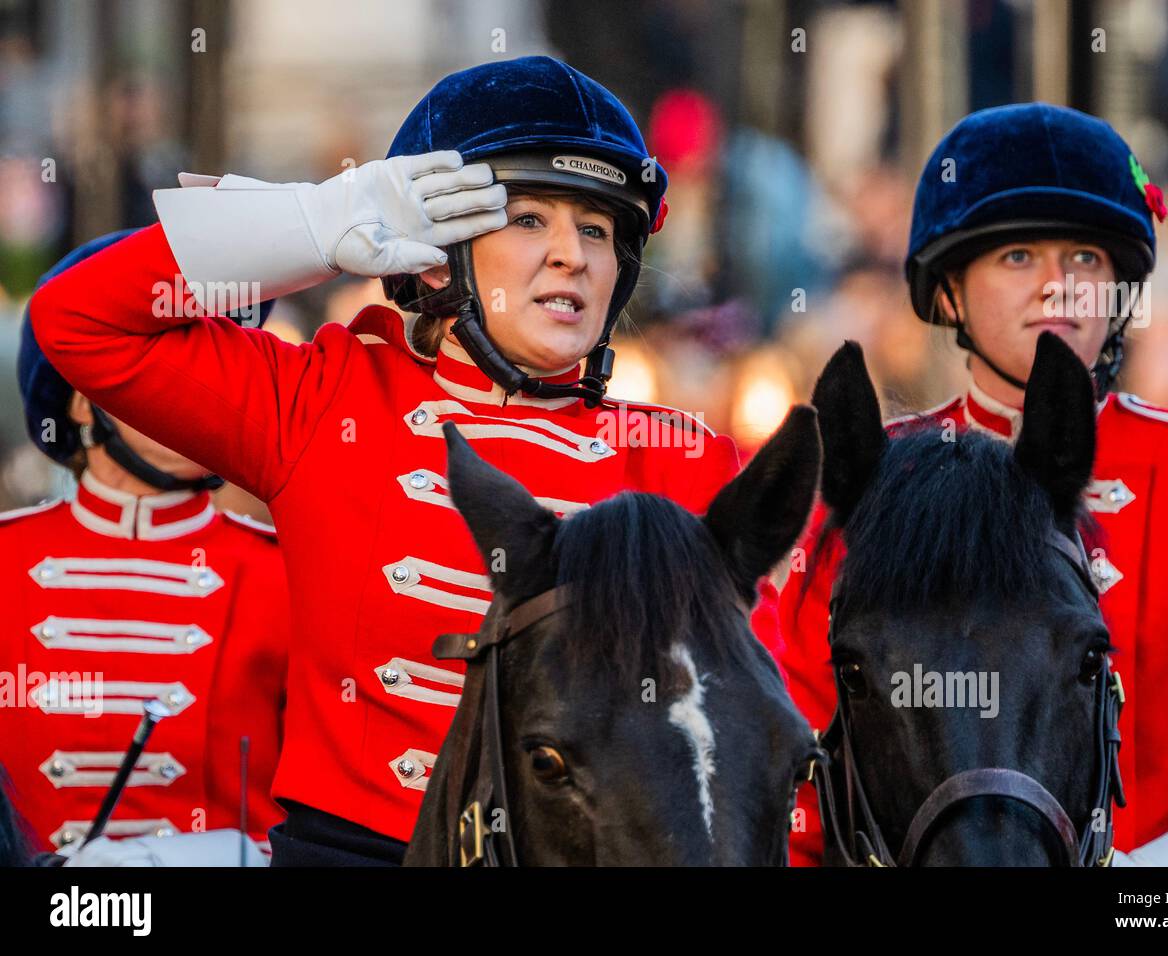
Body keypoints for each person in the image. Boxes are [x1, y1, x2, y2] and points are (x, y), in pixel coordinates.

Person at [30, 55, 781, 865]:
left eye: (598, 229)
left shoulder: (688, 462)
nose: (574, 255)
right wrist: (320, 225)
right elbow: (76, 322)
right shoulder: (325, 399)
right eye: (528, 219)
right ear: (434, 253)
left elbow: (765, 728)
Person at [779, 103, 1168, 866]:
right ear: (950, 290)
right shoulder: (875, 479)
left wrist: (1143, 892)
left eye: (1085, 260)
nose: (1059, 287)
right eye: (1019, 256)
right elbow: (803, 745)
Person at [4, 231, 289, 863]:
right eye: (166, 361)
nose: (198, 389)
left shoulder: (289, 573)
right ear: (81, 397)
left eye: (213, 361)